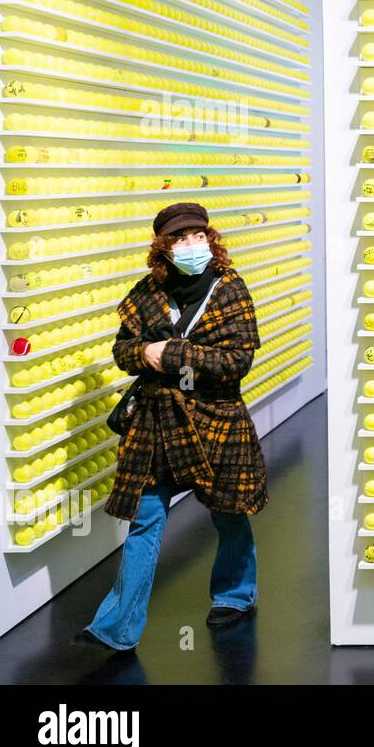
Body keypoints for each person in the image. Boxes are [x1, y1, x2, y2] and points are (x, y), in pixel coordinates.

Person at [72, 202, 269, 653]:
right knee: (145, 517)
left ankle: (235, 594)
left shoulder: (230, 289)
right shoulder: (146, 292)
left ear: (210, 240)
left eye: (199, 236)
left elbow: (237, 361)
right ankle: (117, 627)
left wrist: (172, 353)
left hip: (216, 416)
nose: (192, 244)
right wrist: (143, 353)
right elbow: (122, 350)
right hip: (156, 418)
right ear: (163, 247)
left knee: (228, 510)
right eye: (181, 238)